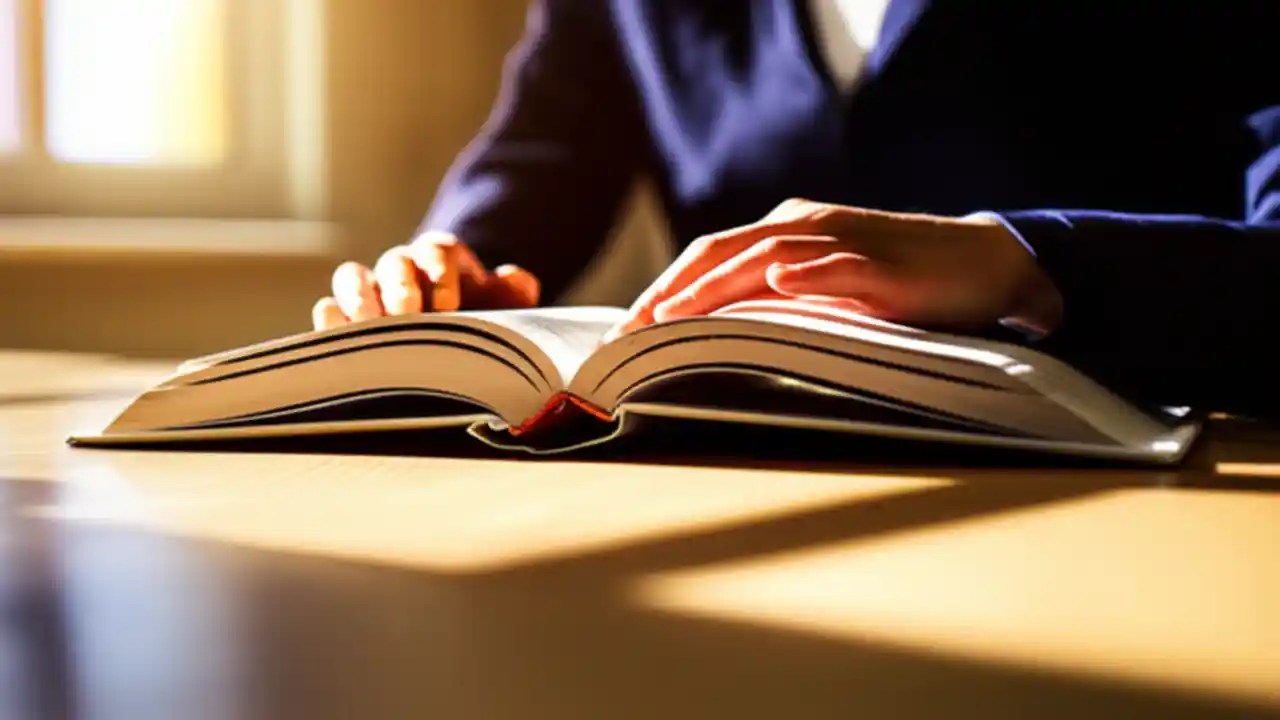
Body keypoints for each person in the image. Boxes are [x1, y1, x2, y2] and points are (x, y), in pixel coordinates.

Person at [311, 1, 1279, 410]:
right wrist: (445, 263)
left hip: (1137, 506)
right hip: (735, 479)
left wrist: (1018, 260)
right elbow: (539, 152)